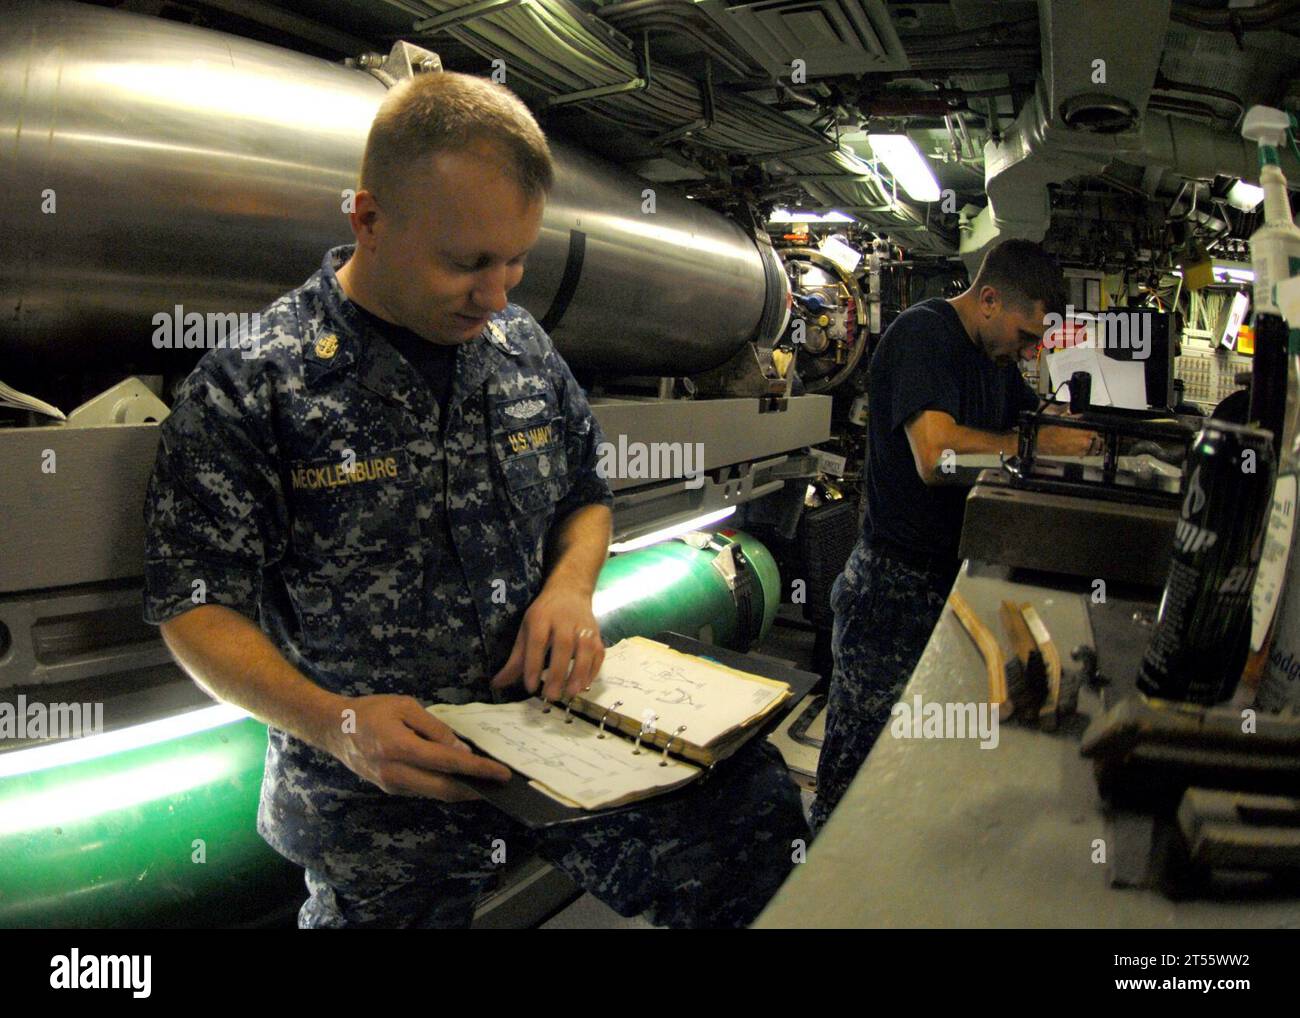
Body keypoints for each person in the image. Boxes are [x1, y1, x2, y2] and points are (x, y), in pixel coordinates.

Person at [143, 71, 807, 927]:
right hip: (384, 802)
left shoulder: (521, 347)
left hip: (555, 742)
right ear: (369, 219)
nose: (497, 296)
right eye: (466, 264)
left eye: (515, 260)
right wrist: (336, 724)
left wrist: (569, 591)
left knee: (753, 822)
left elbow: (584, 496)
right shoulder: (255, 384)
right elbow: (193, 605)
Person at [809, 239, 1095, 833]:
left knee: (917, 764)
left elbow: (1031, 420)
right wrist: (1036, 443)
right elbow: (935, 455)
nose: (1029, 349)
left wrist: (1070, 430)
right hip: (892, 592)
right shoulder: (924, 335)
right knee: (856, 771)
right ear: (988, 300)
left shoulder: (995, 359)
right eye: (1025, 334)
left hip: (947, 583)